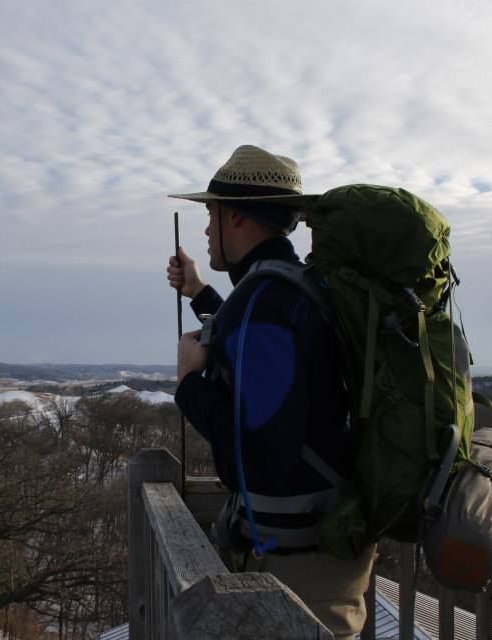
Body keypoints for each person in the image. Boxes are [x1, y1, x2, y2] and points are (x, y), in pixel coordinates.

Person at [166, 145, 375, 638]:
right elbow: (256, 349)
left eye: (210, 213)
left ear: (235, 216)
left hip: (298, 571)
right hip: (321, 552)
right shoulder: (291, 288)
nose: (205, 228)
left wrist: (188, 384)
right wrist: (200, 293)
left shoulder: (267, 302)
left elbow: (259, 454)